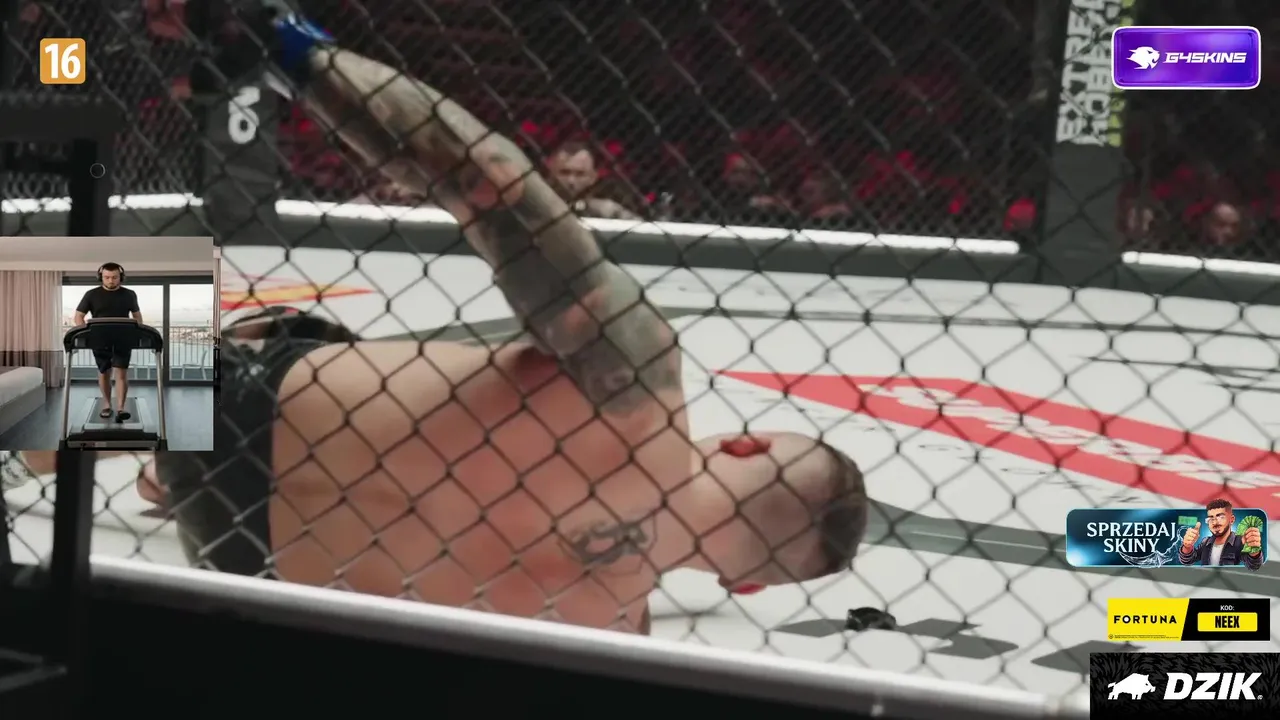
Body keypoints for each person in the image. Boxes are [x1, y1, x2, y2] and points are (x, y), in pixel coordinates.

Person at [28, 10, 869, 634]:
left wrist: (289, 46)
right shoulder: (613, 639)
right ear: (744, 586)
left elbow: (488, 176)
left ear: (746, 443)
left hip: (246, 396)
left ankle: (81, 412)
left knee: (225, 330)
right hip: (249, 571)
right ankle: (144, 459)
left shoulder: (641, 386)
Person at [74, 263, 143, 421]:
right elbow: (78, 316)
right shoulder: (91, 294)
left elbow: (137, 316)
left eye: (114, 277)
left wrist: (137, 332)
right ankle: (106, 404)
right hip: (99, 337)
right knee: (104, 372)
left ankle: (121, 408)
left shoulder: (129, 294)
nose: (111, 280)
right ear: (101, 277)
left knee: (121, 372)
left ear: (121, 277)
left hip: (123, 337)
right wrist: (86, 334)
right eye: (107, 277)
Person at [543, 139, 639, 220]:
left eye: (580, 174)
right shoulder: (539, 204)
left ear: (593, 177)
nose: (571, 181)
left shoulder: (608, 208)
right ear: (551, 172)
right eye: (564, 172)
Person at [1178, 498, 1263, 570]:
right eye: (1211, 518)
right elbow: (1188, 561)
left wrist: (1254, 551)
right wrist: (1187, 547)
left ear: (1231, 519)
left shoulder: (1239, 542)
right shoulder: (1205, 542)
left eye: (1221, 517)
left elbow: (1254, 565)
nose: (1215, 522)